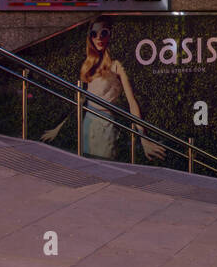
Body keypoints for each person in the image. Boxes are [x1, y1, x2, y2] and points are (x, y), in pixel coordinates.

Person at [44, 16, 165, 162]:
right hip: (88, 124)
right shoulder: (88, 66)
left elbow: (132, 103)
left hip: (106, 125)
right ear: (90, 37)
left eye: (104, 33)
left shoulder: (116, 65)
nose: (99, 38)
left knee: (105, 168)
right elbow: (81, 101)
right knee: (87, 167)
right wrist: (58, 129)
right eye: (94, 34)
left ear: (110, 34)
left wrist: (143, 139)